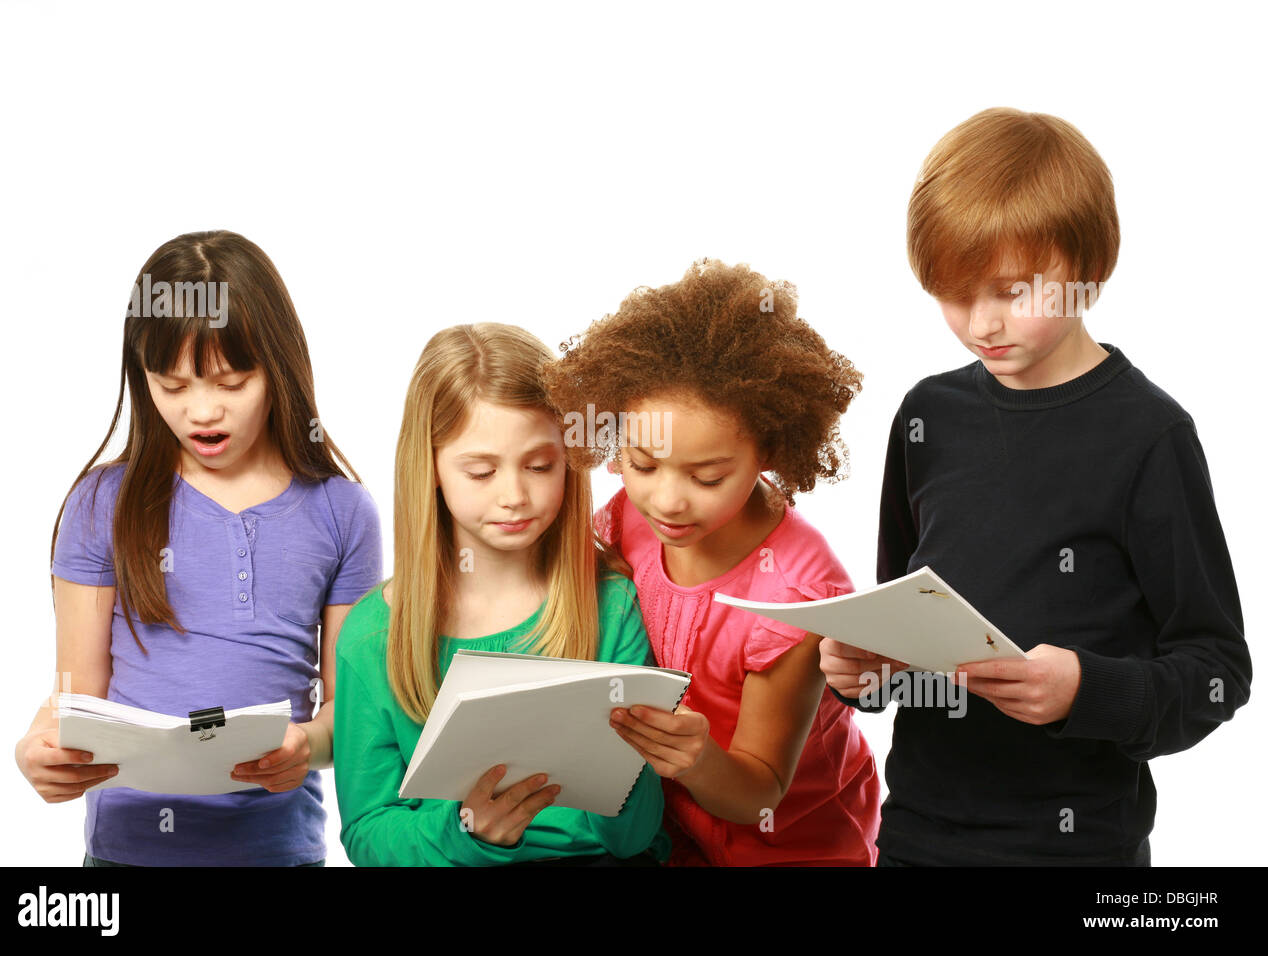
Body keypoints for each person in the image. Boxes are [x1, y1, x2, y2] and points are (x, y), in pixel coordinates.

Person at [820, 107, 1251, 865]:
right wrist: (862, 673)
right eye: (954, 294)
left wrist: (1086, 689)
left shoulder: (1150, 437)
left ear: (1088, 266)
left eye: (1013, 291)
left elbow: (1216, 671)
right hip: (918, 835)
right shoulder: (928, 416)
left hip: (1077, 849)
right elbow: (901, 620)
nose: (982, 323)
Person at [15, 230, 382, 866]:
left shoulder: (342, 512)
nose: (201, 412)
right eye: (172, 386)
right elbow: (75, 697)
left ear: (278, 368)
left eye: (230, 382)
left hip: (276, 852)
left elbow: (346, 719)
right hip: (127, 853)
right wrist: (38, 747)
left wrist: (307, 747)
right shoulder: (104, 503)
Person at [542, 259, 881, 865]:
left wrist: (698, 759)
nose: (667, 501)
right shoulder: (631, 520)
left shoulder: (795, 599)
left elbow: (762, 792)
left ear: (770, 452)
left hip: (795, 848)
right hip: (670, 837)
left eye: (707, 476)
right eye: (643, 465)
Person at [334, 323, 668, 866]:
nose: (514, 495)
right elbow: (367, 833)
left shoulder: (611, 606)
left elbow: (636, 837)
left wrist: (623, 770)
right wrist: (467, 831)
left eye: (540, 466)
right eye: (481, 471)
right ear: (431, 467)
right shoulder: (374, 635)